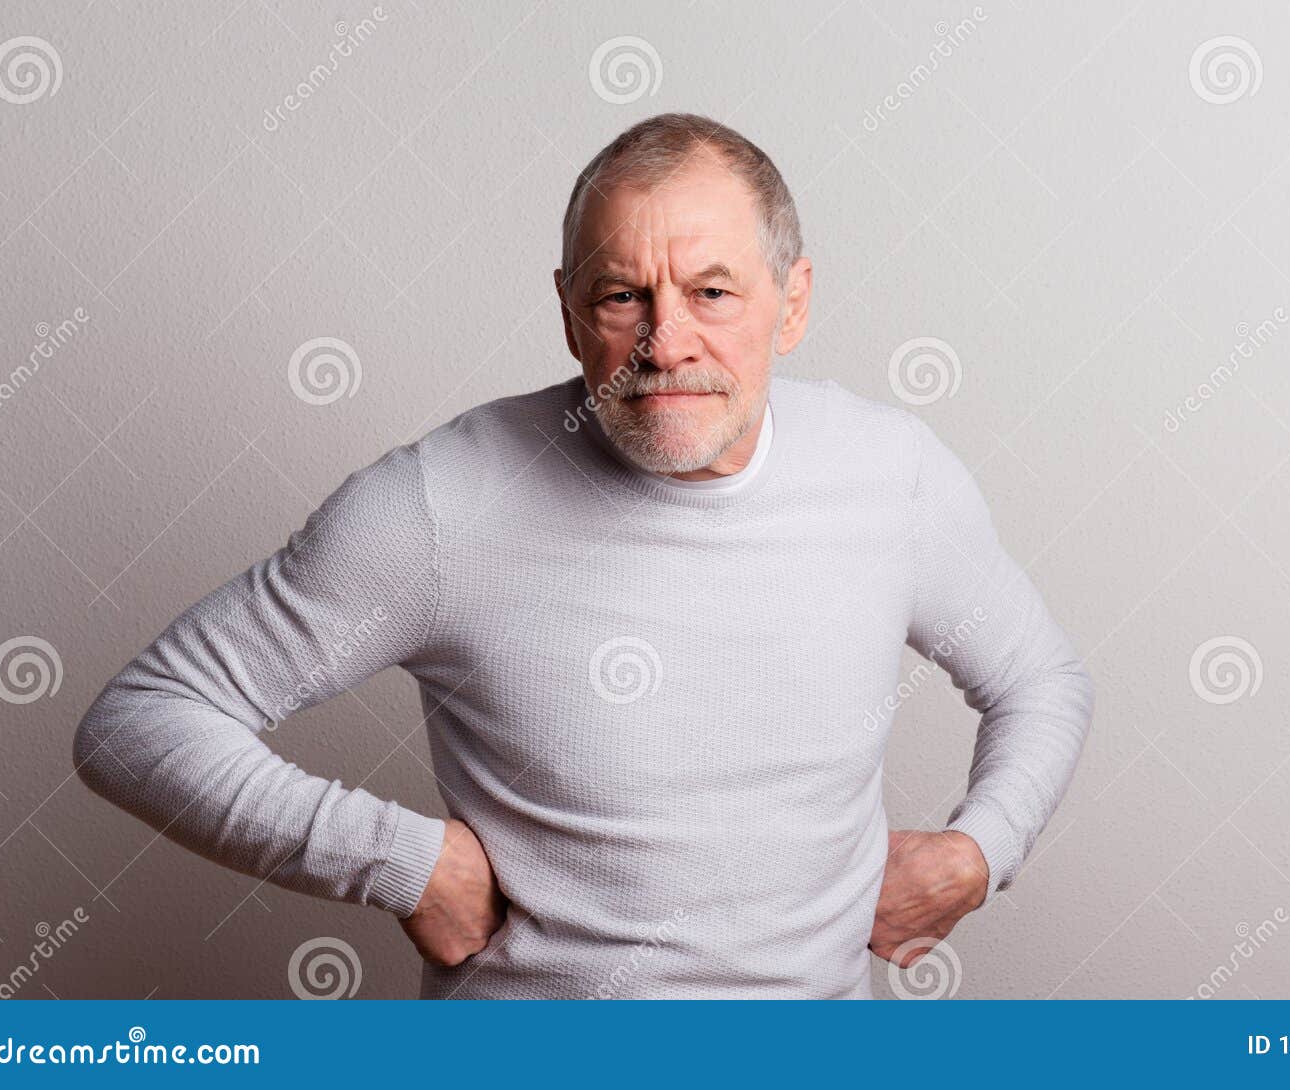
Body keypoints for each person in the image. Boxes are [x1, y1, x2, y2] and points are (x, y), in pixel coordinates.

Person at [73, 112, 1094, 999]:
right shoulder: (443, 503)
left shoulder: (891, 475)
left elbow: (1040, 679)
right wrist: (400, 861)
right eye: (621, 297)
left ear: (792, 301)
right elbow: (140, 721)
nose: (665, 341)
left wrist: (979, 849)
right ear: (568, 310)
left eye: (711, 292)